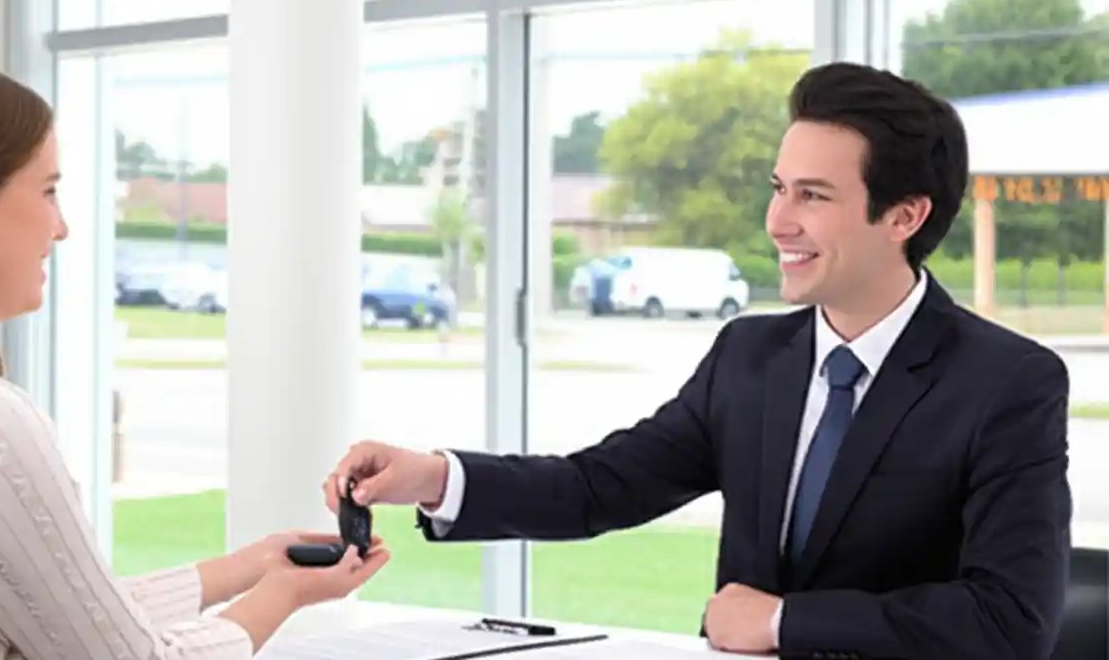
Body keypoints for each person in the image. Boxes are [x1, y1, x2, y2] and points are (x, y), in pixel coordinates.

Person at [326, 62, 1071, 659]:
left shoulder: (1008, 383)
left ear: (905, 215)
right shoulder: (751, 356)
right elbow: (597, 487)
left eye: (813, 196)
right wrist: (432, 477)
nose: (778, 221)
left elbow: (1008, 620)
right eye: (779, 189)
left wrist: (781, 622)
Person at [0, 61, 389, 658]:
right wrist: (281, 596)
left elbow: (67, 611)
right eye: (48, 191)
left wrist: (248, 568)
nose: (62, 227)